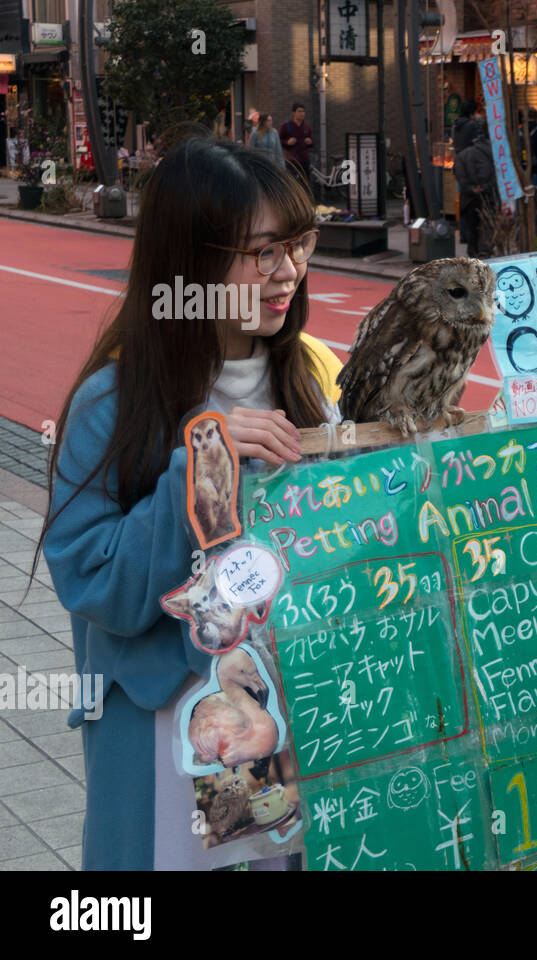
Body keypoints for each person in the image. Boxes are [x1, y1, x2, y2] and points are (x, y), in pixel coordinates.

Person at [34, 133, 342, 870]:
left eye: (297, 244)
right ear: (190, 264)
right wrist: (196, 473)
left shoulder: (317, 375)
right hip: (168, 741)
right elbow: (91, 580)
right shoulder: (115, 401)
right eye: (260, 250)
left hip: (302, 723)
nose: (288, 271)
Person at [454, 123, 495, 257]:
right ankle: (485, 249)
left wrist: (471, 188)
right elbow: (495, 173)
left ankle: (473, 251)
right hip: (488, 194)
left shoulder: (461, 155)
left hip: (469, 197)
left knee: (472, 226)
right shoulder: (491, 150)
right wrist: (485, 186)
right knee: (487, 224)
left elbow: (460, 176)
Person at [279, 103, 314, 185]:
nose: (302, 113)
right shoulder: (286, 126)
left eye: (303, 111)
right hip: (292, 160)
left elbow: (312, 143)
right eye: (299, 111)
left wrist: (310, 141)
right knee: (292, 183)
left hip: (304, 159)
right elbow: (279, 140)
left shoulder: (307, 127)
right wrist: (287, 142)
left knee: (306, 183)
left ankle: (306, 197)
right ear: (294, 113)